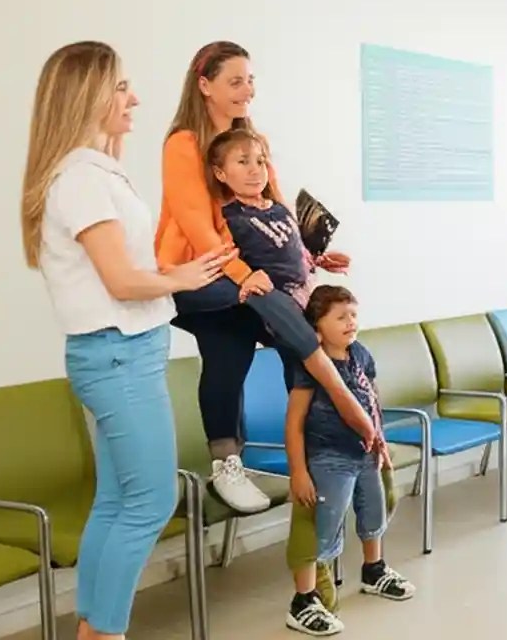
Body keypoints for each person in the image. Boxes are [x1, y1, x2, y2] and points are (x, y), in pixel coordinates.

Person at [20, 41, 232, 639]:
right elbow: (121, 280)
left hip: (122, 352)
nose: (134, 98)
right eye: (120, 87)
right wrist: (182, 278)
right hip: (118, 355)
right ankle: (103, 633)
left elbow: (124, 269)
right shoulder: (81, 179)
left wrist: (175, 272)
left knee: (118, 502)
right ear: (86, 95)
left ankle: (93, 629)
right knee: (151, 502)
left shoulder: (91, 171)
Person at [156, 41, 372, 514]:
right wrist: (245, 276)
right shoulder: (185, 144)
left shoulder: (254, 141)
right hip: (200, 271)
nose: (248, 90)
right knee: (245, 335)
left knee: (245, 348)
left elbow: (278, 216)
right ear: (205, 85)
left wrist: (311, 258)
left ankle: (297, 448)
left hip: (248, 275)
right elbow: (196, 225)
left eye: (251, 80)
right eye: (236, 81)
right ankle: (335, 395)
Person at [284, 286, 415, 635]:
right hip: (329, 456)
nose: (351, 322)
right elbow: (294, 423)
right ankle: (304, 600)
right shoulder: (311, 364)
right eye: (341, 317)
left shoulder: (360, 354)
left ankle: (374, 570)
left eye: (354, 314)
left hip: (365, 453)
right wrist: (298, 472)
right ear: (317, 325)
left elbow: (372, 400)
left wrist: (380, 439)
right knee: (321, 528)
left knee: (374, 512)